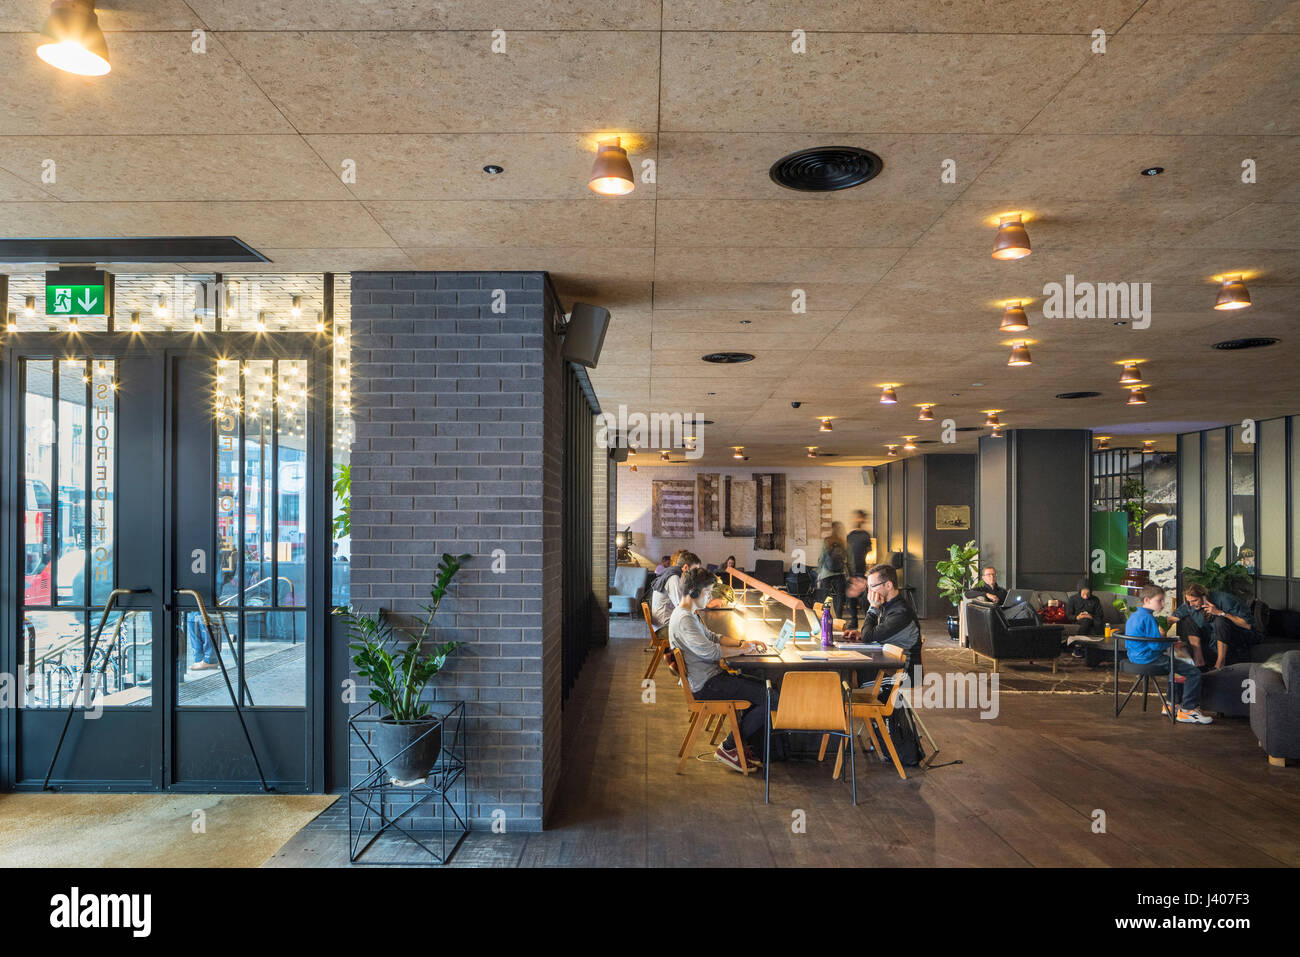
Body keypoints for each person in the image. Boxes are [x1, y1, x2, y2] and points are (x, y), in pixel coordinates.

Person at [669, 567, 770, 773]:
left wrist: (742, 642)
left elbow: (714, 637)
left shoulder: (689, 614)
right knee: (769, 697)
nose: (709, 597)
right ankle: (730, 747)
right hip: (707, 685)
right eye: (707, 592)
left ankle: (739, 747)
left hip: (710, 679)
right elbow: (711, 652)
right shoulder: (685, 619)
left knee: (763, 688)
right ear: (695, 592)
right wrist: (742, 651)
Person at [1124, 585, 1212, 724]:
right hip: (1149, 659)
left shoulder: (1134, 615)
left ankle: (1171, 705)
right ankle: (1188, 710)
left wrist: (1168, 643)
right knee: (1193, 672)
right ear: (1147, 600)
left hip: (1135, 657)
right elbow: (1156, 645)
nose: (1163, 604)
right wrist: (1171, 643)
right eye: (1160, 600)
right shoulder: (1148, 618)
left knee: (1176, 663)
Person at [844, 563, 923, 675]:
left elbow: (868, 637)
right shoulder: (888, 605)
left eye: (872, 586)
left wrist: (873, 608)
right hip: (888, 664)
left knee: (847, 673)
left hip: (904, 673)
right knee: (846, 670)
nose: (869, 592)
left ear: (888, 585)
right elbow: (871, 634)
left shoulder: (901, 612)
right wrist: (861, 634)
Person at [1168, 583, 1255, 670]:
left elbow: (1247, 625)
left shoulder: (1225, 600)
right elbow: (1171, 619)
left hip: (1236, 637)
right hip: (1210, 639)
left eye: (1194, 600)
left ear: (1204, 596)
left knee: (1220, 620)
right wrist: (1159, 632)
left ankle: (1220, 663)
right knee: (1188, 620)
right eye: (1189, 601)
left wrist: (1220, 613)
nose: (1191, 604)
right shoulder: (1190, 605)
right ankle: (1199, 661)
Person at [650, 550, 700, 637]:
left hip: (664, 623)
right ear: (686, 567)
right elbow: (681, 606)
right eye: (694, 570)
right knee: (699, 632)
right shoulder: (673, 578)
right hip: (664, 627)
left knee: (699, 627)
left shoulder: (672, 573)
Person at [845, 510, 873, 630]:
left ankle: (868, 621)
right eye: (856, 518)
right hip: (851, 570)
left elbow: (868, 550)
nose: (858, 520)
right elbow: (847, 552)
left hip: (861, 569)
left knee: (864, 597)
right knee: (851, 597)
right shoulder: (850, 535)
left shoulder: (866, 535)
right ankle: (854, 621)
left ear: (863, 519)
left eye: (860, 518)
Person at [816, 521, 849, 619]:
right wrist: (848, 573)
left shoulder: (827, 540)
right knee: (839, 596)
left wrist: (819, 573)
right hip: (840, 572)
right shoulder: (843, 542)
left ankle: (824, 616)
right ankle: (839, 618)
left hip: (827, 573)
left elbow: (821, 558)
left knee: (825, 595)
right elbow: (846, 558)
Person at [1065, 577, 1104, 657]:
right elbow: (1069, 615)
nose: (1086, 597)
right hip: (1079, 619)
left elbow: (1100, 615)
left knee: (1099, 623)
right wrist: (1077, 617)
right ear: (1079, 592)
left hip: (1092, 618)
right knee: (1086, 621)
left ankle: (1099, 648)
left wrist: (1091, 616)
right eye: (1083, 594)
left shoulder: (1095, 600)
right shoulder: (1073, 599)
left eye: (1088, 594)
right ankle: (1077, 647)